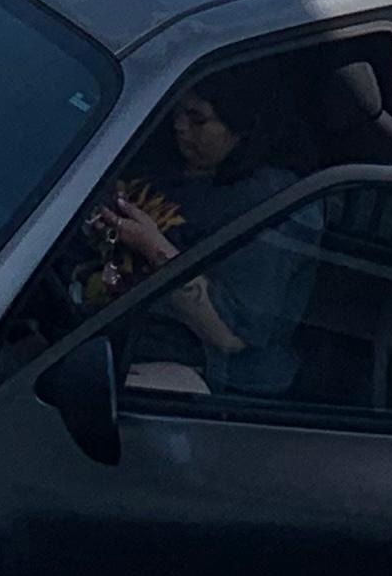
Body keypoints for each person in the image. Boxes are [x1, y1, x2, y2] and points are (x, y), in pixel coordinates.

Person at [99, 83, 300, 395]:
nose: (180, 127)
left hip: (171, 363)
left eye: (197, 119)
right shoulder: (153, 163)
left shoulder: (261, 204)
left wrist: (152, 247)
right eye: (177, 113)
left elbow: (228, 336)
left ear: (240, 127)